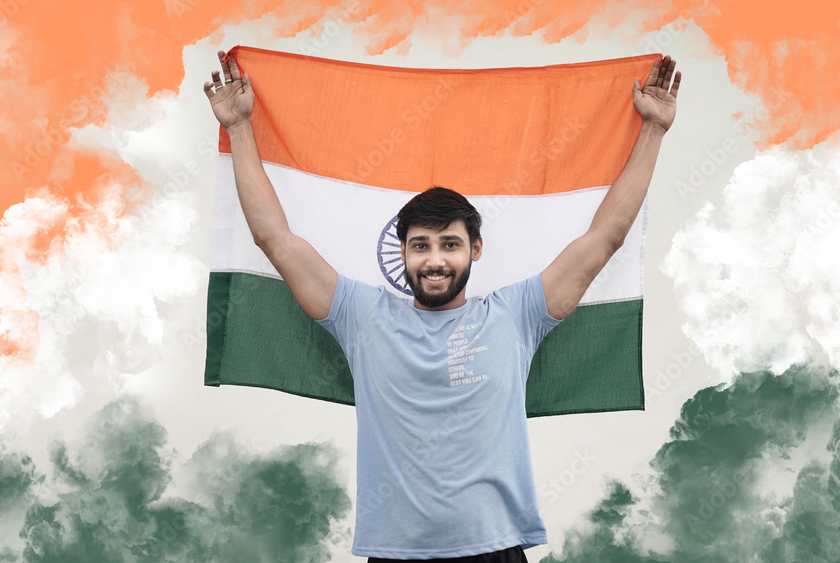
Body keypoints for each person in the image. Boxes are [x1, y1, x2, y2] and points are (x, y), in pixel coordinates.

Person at [204, 49, 680, 562]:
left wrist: (652, 129)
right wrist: (241, 127)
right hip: (395, 553)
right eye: (421, 245)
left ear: (475, 249)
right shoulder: (360, 315)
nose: (435, 260)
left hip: (496, 549)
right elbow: (273, 238)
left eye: (449, 244)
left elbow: (605, 238)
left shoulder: (516, 314)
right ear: (402, 252)